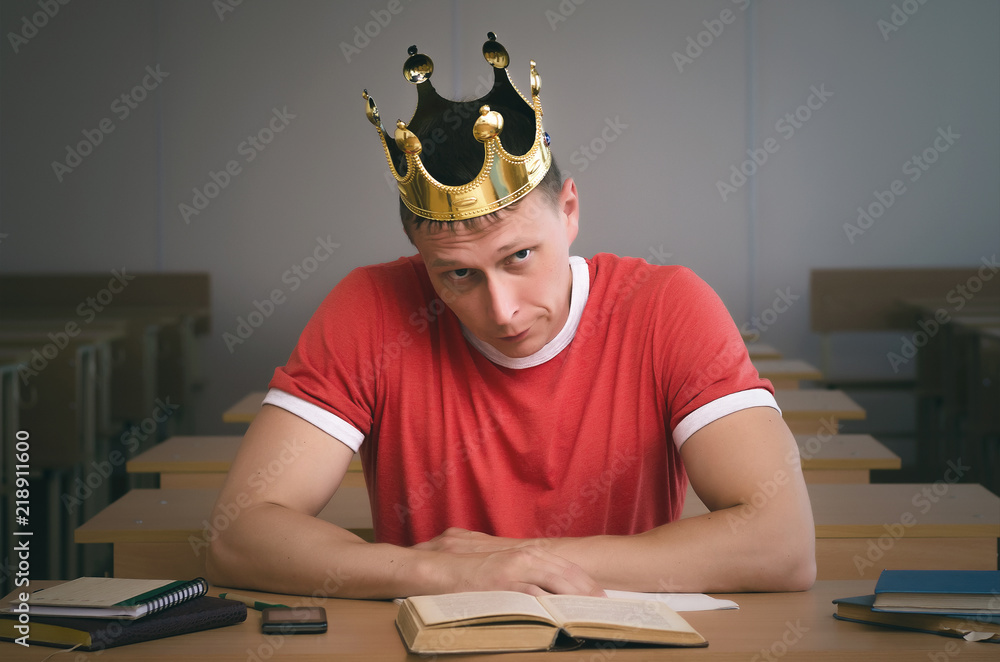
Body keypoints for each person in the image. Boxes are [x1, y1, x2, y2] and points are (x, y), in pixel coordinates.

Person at [206, 33, 816, 599]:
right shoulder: (369, 307)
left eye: (520, 255)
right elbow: (238, 535)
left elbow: (783, 544)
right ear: (421, 257)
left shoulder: (667, 307)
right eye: (457, 274)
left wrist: (513, 560)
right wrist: (441, 570)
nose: (502, 310)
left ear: (569, 209)